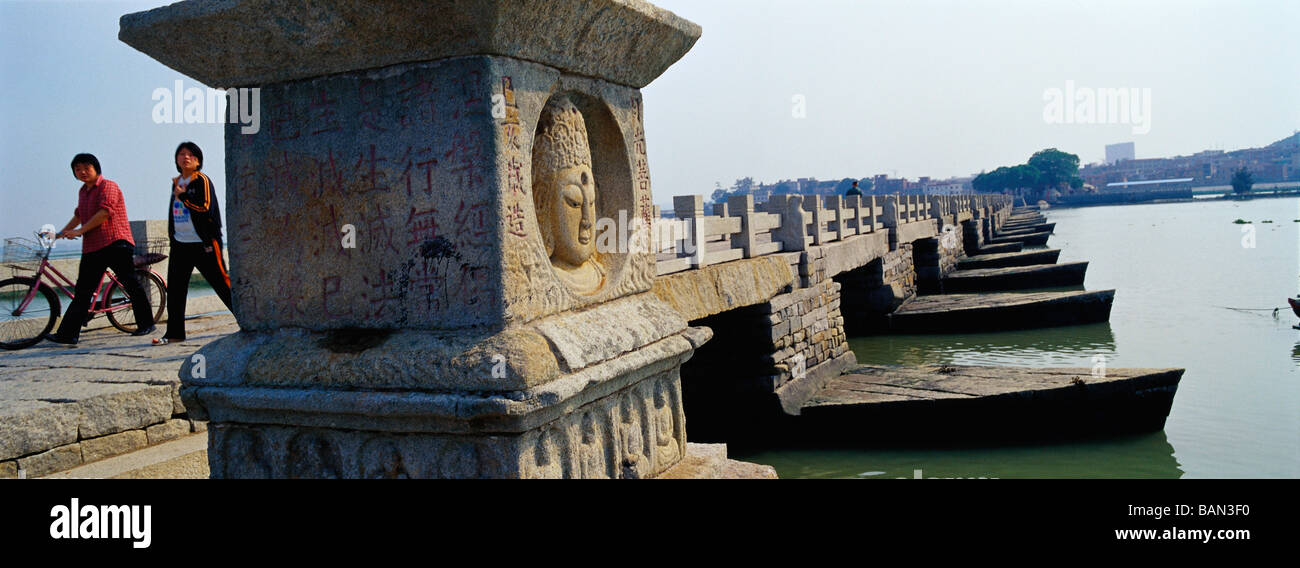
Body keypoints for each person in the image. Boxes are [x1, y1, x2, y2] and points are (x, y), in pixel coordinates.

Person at [46, 154, 156, 345]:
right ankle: (68, 334)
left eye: (86, 167)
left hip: (115, 242)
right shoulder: (83, 191)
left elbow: (104, 213)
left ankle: (146, 323)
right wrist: (61, 232)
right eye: (77, 169)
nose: (82, 172)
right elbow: (79, 215)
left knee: (130, 283)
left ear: (96, 168)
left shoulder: (108, 186)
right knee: (83, 291)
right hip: (93, 246)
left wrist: (80, 230)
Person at [154, 141, 232, 345]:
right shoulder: (177, 182)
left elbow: (205, 207)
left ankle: (248, 322)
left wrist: (183, 195)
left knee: (221, 283)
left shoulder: (201, 180)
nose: (185, 157)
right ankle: (174, 334)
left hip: (204, 242)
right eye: (181, 154)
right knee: (176, 290)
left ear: (198, 161)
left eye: (190, 155)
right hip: (180, 243)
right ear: (176, 160)